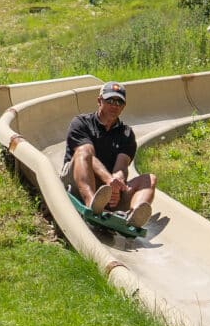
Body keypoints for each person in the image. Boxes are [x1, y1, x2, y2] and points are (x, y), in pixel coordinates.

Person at [63, 82, 156, 228]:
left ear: (123, 106)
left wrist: (117, 182)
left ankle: (133, 216)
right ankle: (91, 203)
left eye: (119, 102)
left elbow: (122, 164)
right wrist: (109, 179)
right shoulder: (81, 123)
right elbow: (88, 156)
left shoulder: (126, 133)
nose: (115, 105)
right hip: (77, 180)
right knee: (84, 152)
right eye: (110, 101)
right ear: (99, 100)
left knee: (149, 179)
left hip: (107, 191)